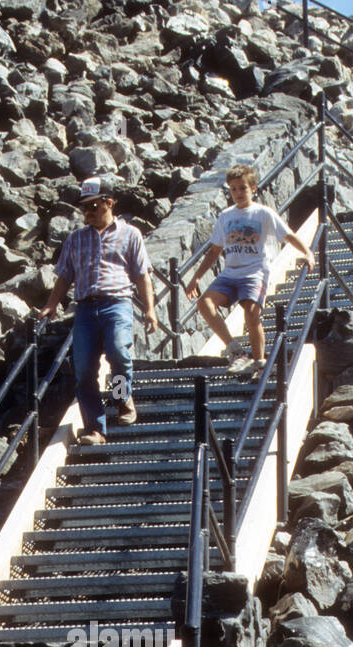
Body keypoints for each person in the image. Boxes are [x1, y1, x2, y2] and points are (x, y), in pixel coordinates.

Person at [38, 176, 158, 446]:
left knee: (118, 351)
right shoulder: (75, 239)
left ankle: (121, 397)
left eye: (94, 205)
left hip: (117, 303)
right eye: (84, 208)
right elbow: (64, 276)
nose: (88, 212)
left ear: (109, 202)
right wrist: (51, 303)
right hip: (85, 309)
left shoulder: (130, 234)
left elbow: (142, 275)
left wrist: (150, 309)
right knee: (84, 370)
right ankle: (96, 430)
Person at [185, 163, 316, 375]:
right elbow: (214, 250)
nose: (238, 193)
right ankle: (236, 351)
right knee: (205, 303)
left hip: (255, 271)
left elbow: (288, 234)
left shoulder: (263, 213)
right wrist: (196, 278)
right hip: (230, 273)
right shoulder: (225, 216)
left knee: (252, 311)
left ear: (253, 188)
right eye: (234, 189)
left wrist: (308, 252)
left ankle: (259, 362)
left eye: (243, 188)